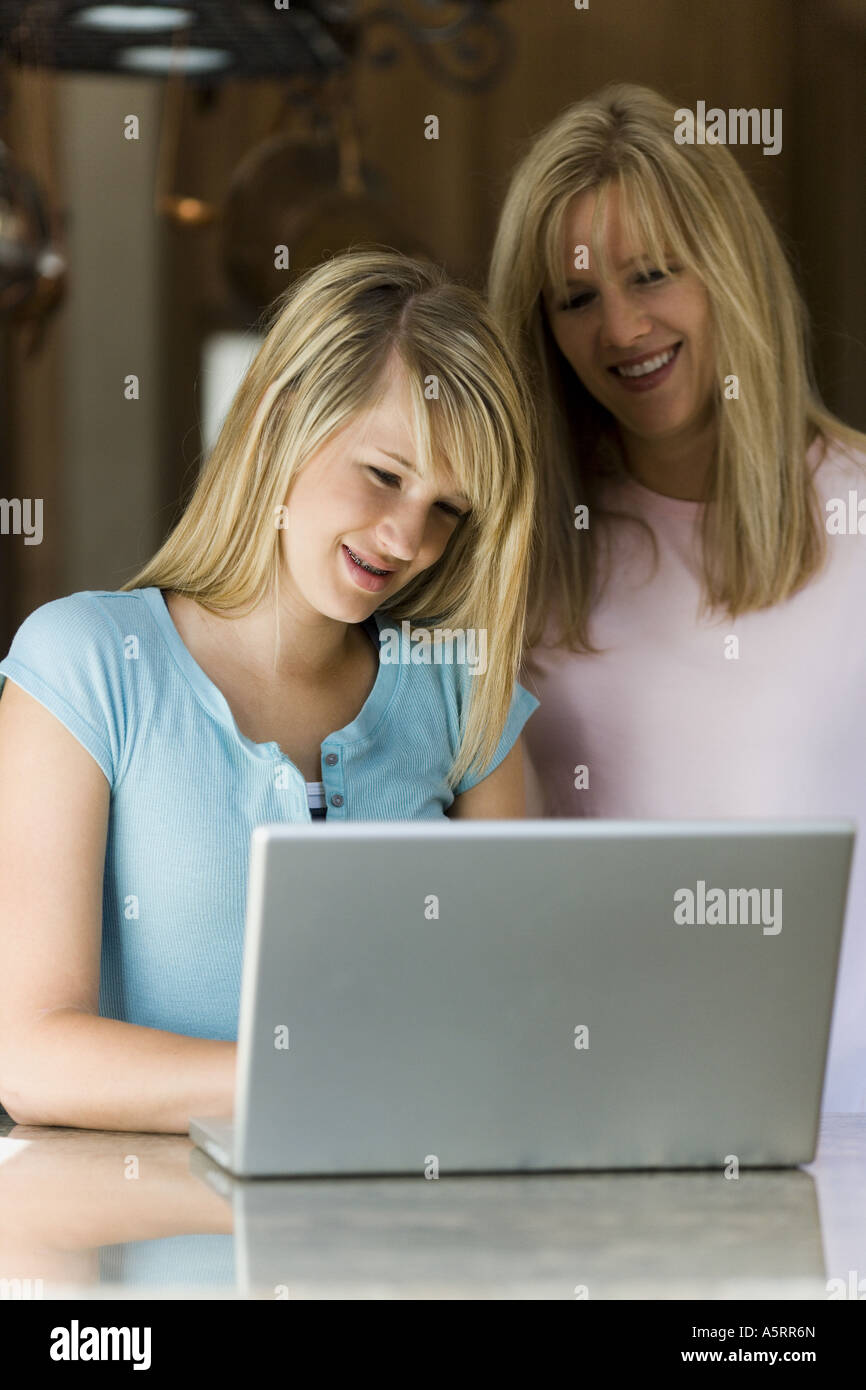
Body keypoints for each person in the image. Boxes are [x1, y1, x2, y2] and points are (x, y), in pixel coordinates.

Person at [0, 249, 539, 1133]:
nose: (409, 537)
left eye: (451, 509)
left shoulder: (465, 694)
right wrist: (319, 1084)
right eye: (386, 474)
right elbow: (30, 1056)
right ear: (286, 418)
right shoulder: (84, 665)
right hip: (158, 1255)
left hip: (406, 1256)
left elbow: (513, 1019)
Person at [487, 82, 866, 1113]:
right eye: (574, 299)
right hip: (586, 1117)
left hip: (839, 1132)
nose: (620, 327)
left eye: (652, 275)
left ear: (728, 269)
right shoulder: (513, 554)